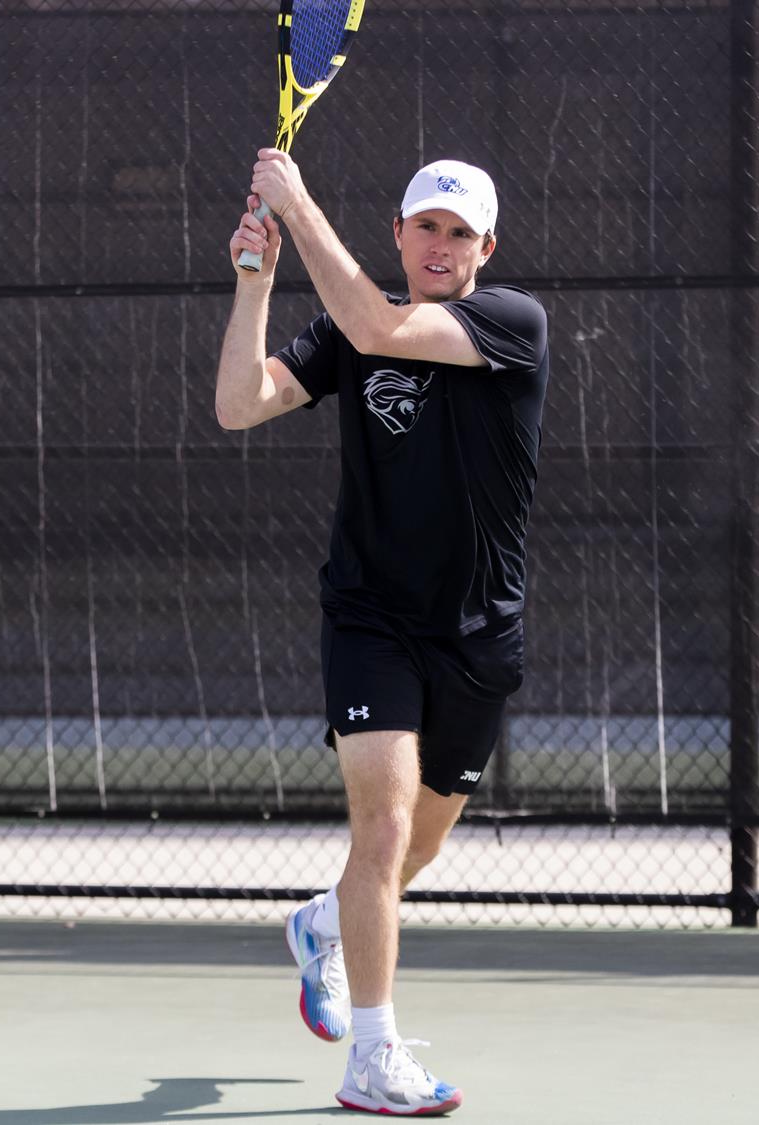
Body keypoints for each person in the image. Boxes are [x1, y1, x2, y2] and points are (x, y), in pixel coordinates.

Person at [213, 150, 550, 1116]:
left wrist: (296, 201)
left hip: (479, 633)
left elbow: (378, 322)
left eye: (459, 233)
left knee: (416, 852)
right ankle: (372, 1053)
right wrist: (256, 284)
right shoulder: (347, 328)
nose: (440, 245)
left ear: (486, 249)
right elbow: (240, 405)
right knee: (385, 827)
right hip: (370, 620)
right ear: (398, 233)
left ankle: (323, 924)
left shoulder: (510, 324)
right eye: (425, 227)